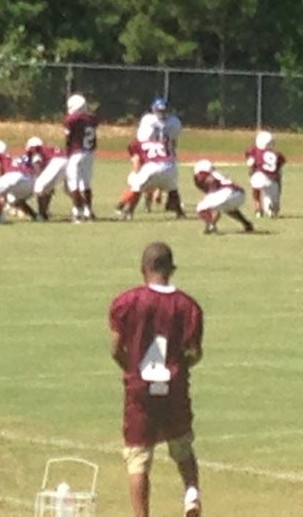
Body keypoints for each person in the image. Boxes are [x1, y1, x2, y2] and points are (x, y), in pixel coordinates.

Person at [109, 241, 204, 517]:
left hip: (140, 388)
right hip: (173, 386)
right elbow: (195, 352)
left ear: (143, 269)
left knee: (138, 457)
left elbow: (115, 347)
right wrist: (181, 367)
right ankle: (191, 493)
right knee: (182, 444)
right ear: (172, 269)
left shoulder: (127, 301)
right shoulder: (188, 306)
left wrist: (131, 369)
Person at [135, 97, 187, 217]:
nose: (162, 113)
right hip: (167, 156)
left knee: (146, 181)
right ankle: (174, 208)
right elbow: (175, 140)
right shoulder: (174, 122)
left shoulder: (148, 120)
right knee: (170, 185)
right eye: (160, 111)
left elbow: (142, 140)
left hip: (153, 155)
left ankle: (129, 207)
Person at [115, 139, 178, 221]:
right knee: (172, 190)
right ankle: (180, 212)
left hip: (152, 168)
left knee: (136, 186)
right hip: (170, 168)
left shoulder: (137, 145)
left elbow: (137, 164)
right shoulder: (162, 142)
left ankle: (124, 208)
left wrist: (136, 174)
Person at [191, 160, 254, 234]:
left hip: (227, 191)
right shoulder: (216, 173)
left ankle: (210, 225)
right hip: (239, 194)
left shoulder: (203, 173)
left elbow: (211, 180)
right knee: (227, 208)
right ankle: (246, 224)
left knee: (201, 207)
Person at [63, 93, 98, 222]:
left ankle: (77, 211)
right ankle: (88, 211)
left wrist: (68, 152)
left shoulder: (71, 119)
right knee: (86, 184)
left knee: (74, 184)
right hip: (89, 153)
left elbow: (68, 137)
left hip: (76, 153)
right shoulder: (92, 118)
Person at [0, 140, 38, 221]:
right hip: (31, 182)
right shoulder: (11, 159)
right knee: (13, 199)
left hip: (14, 176)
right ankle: (35, 216)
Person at [244, 131, 286, 218]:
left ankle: (258, 209)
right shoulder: (277, 154)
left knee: (255, 187)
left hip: (259, 176)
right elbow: (279, 171)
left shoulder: (254, 151)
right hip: (272, 180)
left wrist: (251, 176)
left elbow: (250, 165)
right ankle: (271, 208)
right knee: (272, 201)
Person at [25, 136, 68, 221]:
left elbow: (37, 163)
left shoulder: (36, 151)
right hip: (68, 161)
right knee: (66, 189)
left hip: (57, 162)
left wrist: (38, 178)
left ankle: (41, 215)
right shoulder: (48, 149)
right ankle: (83, 211)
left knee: (39, 186)